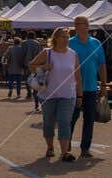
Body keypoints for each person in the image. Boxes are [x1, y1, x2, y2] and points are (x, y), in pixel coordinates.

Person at [29, 28, 82, 160]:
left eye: (67, 37)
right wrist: (43, 67)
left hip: (68, 95)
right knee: (49, 123)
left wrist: (79, 94)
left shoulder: (73, 54)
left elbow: (78, 76)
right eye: (63, 37)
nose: (66, 39)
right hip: (48, 95)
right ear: (56, 38)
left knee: (64, 122)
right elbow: (31, 66)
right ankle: (50, 147)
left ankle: (65, 153)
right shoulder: (47, 53)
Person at [68, 16, 107, 159]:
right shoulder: (70, 43)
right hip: (73, 88)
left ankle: (85, 148)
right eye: (75, 24)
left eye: (79, 23)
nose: (76, 26)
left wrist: (104, 85)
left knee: (89, 119)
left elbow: (102, 65)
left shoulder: (96, 43)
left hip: (91, 88)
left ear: (87, 26)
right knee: (71, 118)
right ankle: (66, 147)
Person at [20, 32, 43, 111]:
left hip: (26, 64)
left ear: (27, 36)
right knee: (35, 80)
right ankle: (34, 92)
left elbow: (22, 54)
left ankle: (28, 92)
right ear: (34, 36)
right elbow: (41, 54)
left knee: (27, 78)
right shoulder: (37, 43)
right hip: (36, 65)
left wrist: (21, 62)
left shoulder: (23, 43)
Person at [5, 34, 27, 99]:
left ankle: (10, 90)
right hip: (19, 67)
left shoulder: (10, 48)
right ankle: (18, 94)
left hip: (11, 67)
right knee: (18, 82)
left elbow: (6, 55)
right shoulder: (22, 48)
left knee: (10, 81)